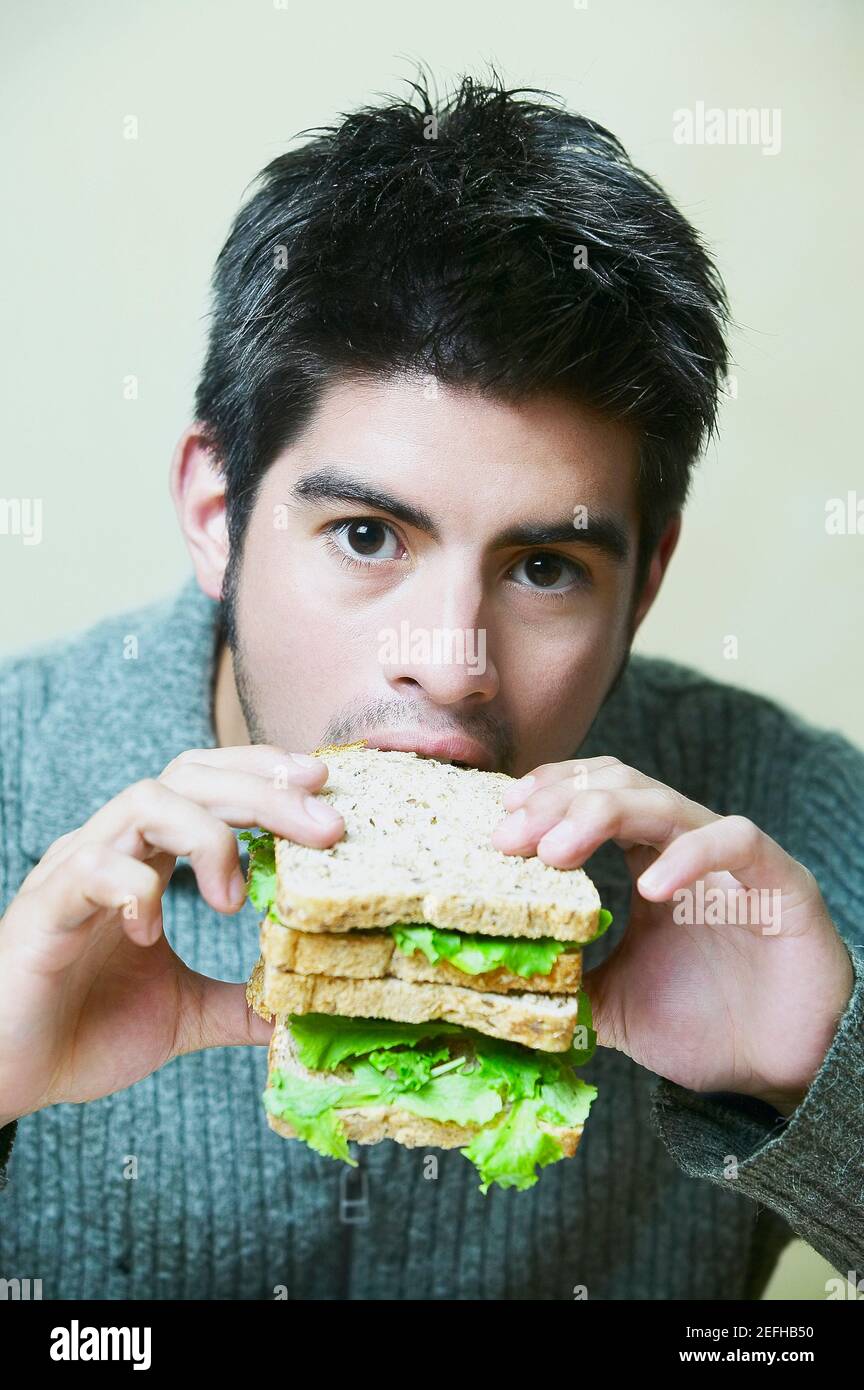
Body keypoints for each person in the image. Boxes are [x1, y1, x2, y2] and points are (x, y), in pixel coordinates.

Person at [0, 72, 861, 1301]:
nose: (451, 662)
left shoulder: (789, 838)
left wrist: (827, 1093)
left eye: (546, 566)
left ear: (646, 582)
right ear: (214, 511)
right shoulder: (12, 776)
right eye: (365, 536)